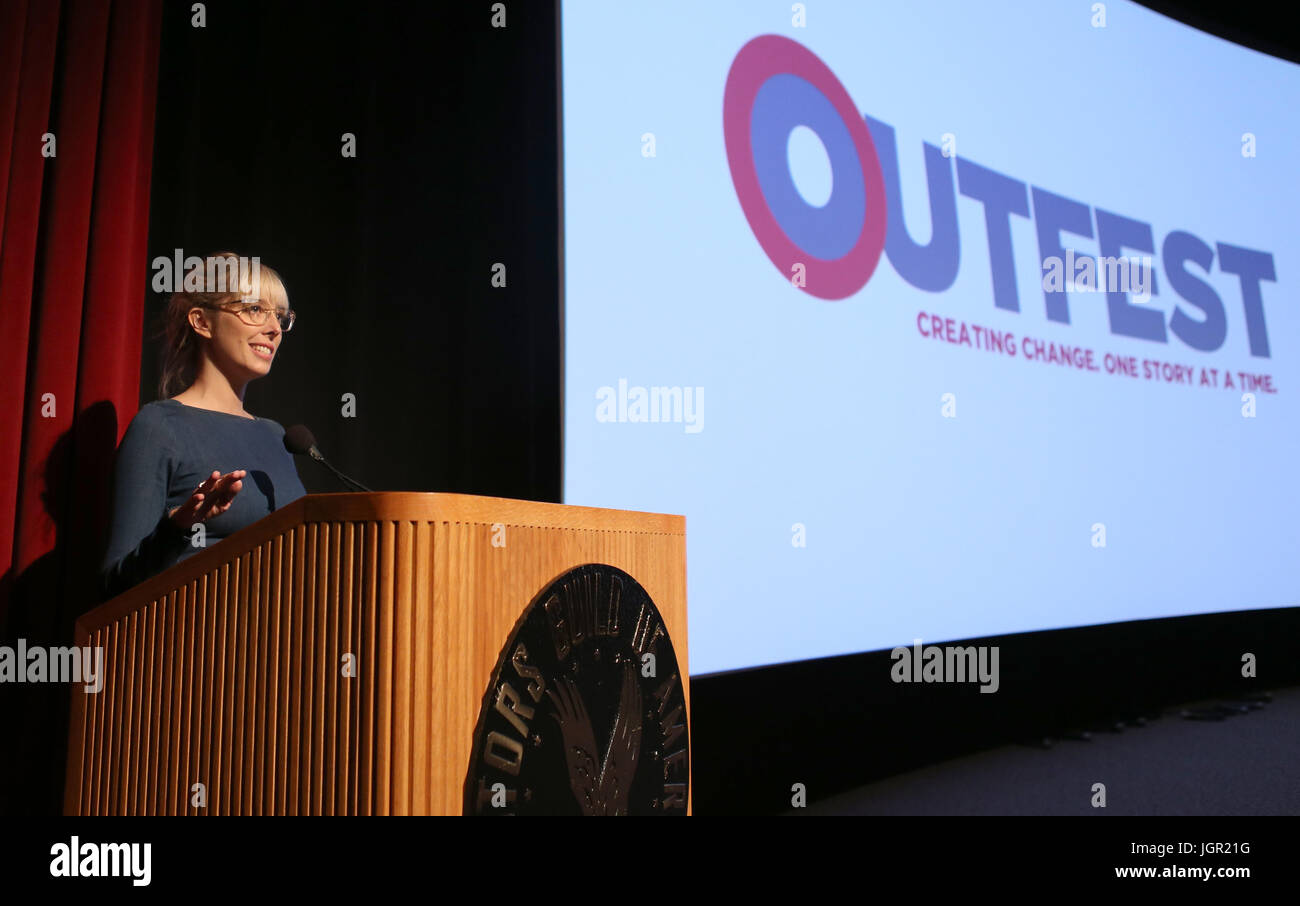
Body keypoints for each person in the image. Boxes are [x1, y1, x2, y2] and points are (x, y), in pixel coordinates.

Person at [99, 252, 306, 599]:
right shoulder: (160, 427)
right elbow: (115, 584)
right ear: (202, 322)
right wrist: (178, 527)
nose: (273, 329)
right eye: (254, 309)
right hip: (192, 642)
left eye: (280, 317)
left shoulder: (276, 435)